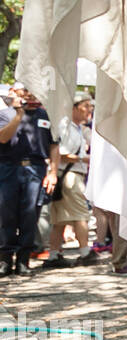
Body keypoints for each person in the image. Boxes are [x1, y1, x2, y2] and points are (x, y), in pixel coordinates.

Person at [0, 83, 60, 277]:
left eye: (32, 88)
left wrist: (53, 173)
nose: (29, 93)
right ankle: (5, 259)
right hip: (9, 168)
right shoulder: (5, 114)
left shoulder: (45, 115)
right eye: (24, 89)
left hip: (35, 169)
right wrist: (19, 115)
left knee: (30, 215)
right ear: (16, 92)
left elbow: (53, 146)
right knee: (6, 215)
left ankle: (24, 260)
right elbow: (3, 138)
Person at [44, 92, 98, 268]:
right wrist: (84, 159)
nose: (89, 109)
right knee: (81, 214)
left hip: (65, 175)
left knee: (59, 218)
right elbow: (62, 153)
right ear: (74, 108)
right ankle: (84, 252)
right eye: (86, 105)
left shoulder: (77, 128)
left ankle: (53, 255)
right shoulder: (65, 127)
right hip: (69, 176)